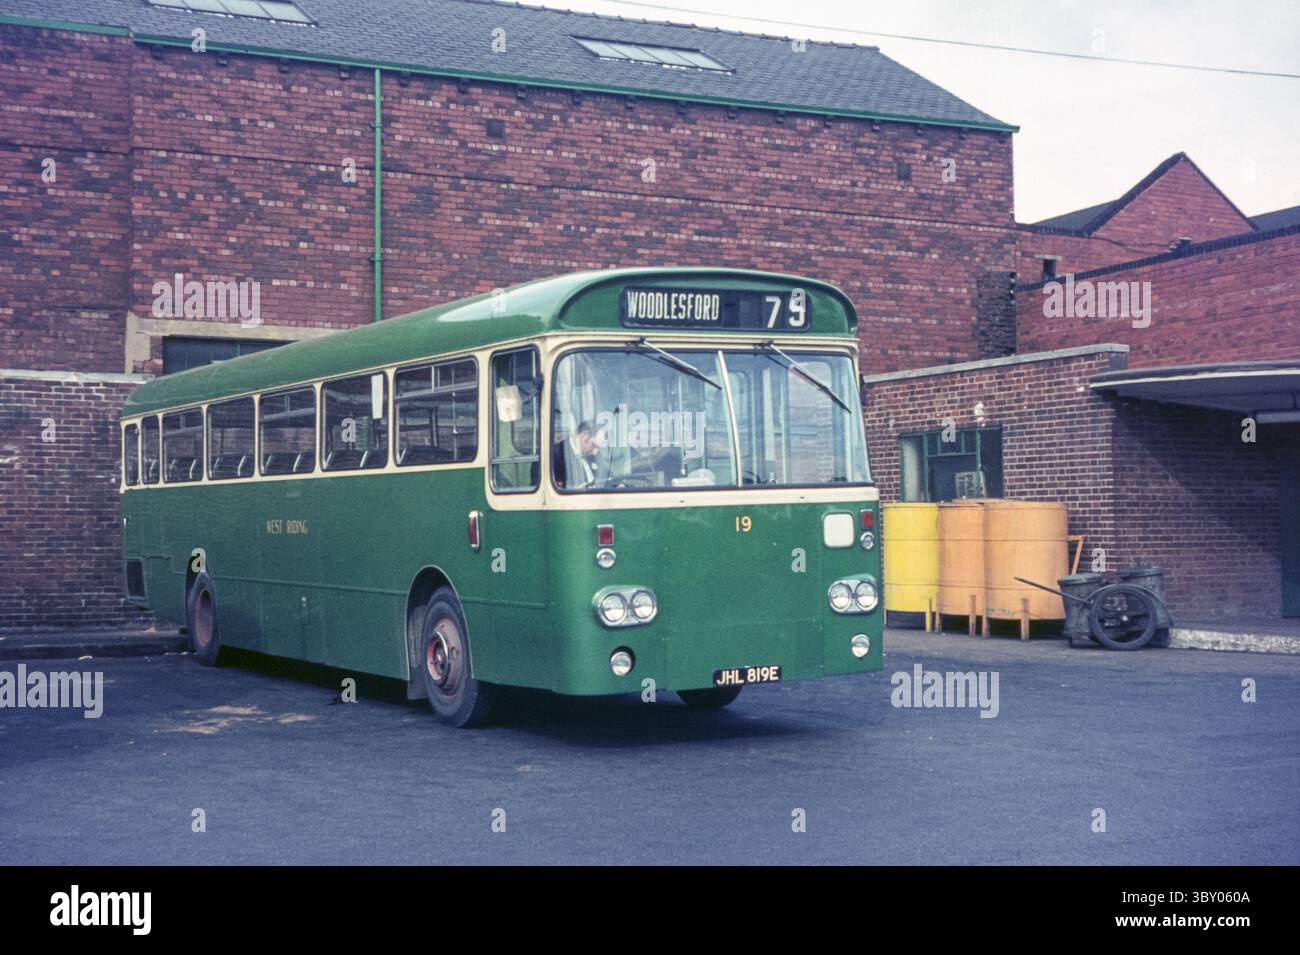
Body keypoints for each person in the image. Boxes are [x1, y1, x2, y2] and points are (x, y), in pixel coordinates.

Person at [554, 420, 600, 489]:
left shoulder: (592, 455)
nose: (595, 451)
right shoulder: (555, 456)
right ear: (584, 436)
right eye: (593, 445)